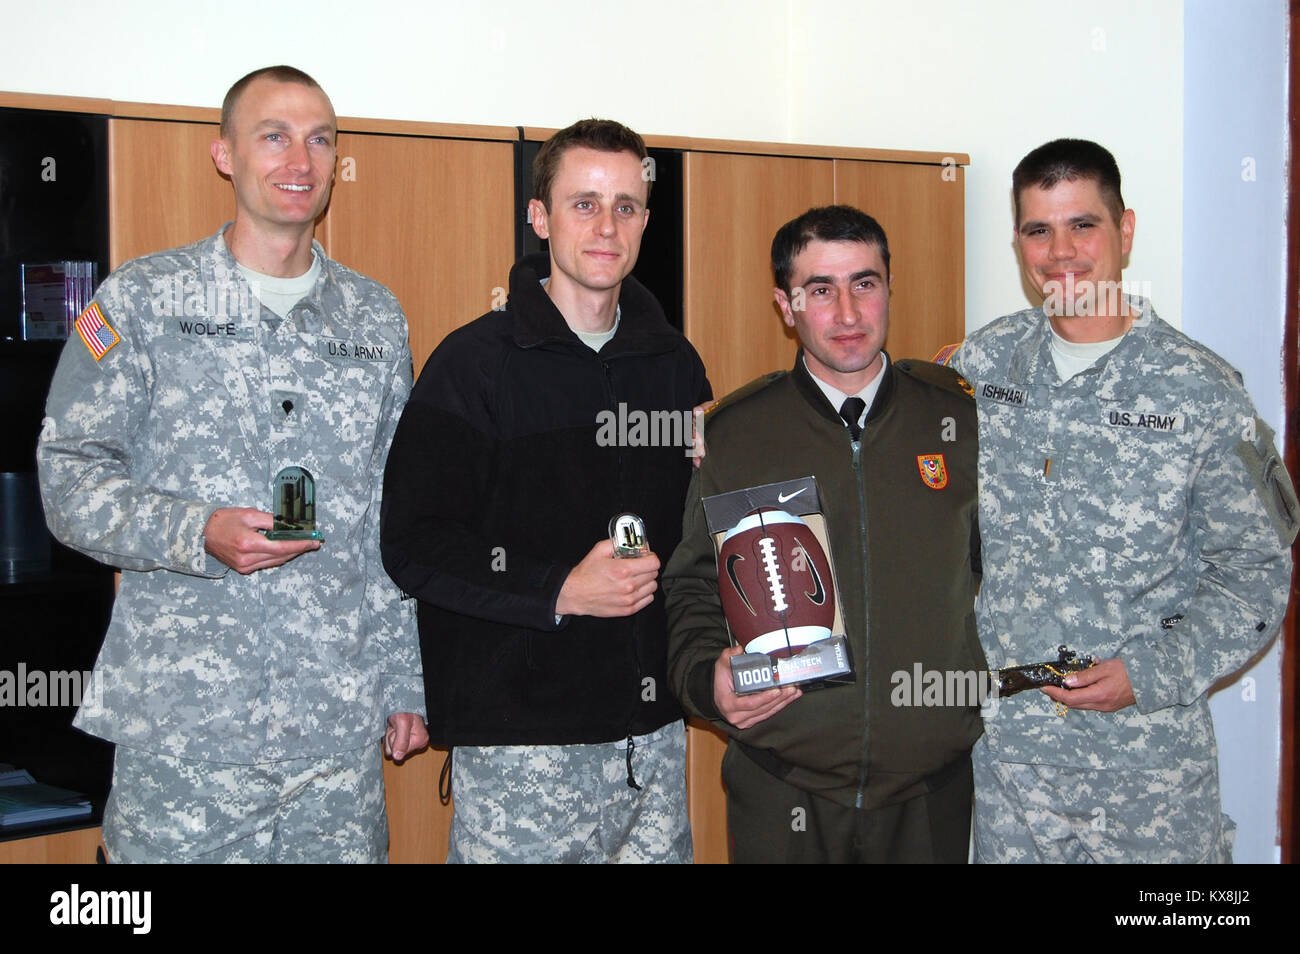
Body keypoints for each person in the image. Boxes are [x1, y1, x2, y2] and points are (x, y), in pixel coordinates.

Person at [37, 66, 426, 863]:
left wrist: (406, 678)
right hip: (184, 736)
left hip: (333, 737)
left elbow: (399, 512)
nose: (300, 160)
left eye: (320, 140)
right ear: (225, 155)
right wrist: (195, 532)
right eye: (274, 136)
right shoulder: (140, 302)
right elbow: (68, 479)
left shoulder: (374, 318)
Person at [950, 138, 1298, 863]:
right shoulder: (980, 368)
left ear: (1125, 230)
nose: (1060, 253)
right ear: (1017, 241)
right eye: (1037, 230)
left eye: (1083, 225)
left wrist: (1152, 673)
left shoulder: (1201, 390)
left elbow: (1258, 573)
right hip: (1013, 767)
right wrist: (727, 432)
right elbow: (877, 446)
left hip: (1150, 772)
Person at [380, 119, 710, 864]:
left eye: (626, 206)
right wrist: (559, 589)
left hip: (651, 742)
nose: (607, 226)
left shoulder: (673, 363)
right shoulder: (473, 366)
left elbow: (691, 539)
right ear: (540, 217)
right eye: (583, 203)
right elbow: (413, 543)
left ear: (647, 221)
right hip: (522, 752)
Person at [663, 205, 984, 863]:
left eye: (864, 283)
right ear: (786, 304)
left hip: (928, 794)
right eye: (820, 290)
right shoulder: (739, 434)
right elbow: (693, 586)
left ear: (889, 287)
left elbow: (1011, 582)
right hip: (783, 792)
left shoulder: (957, 423)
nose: (846, 312)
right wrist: (706, 680)